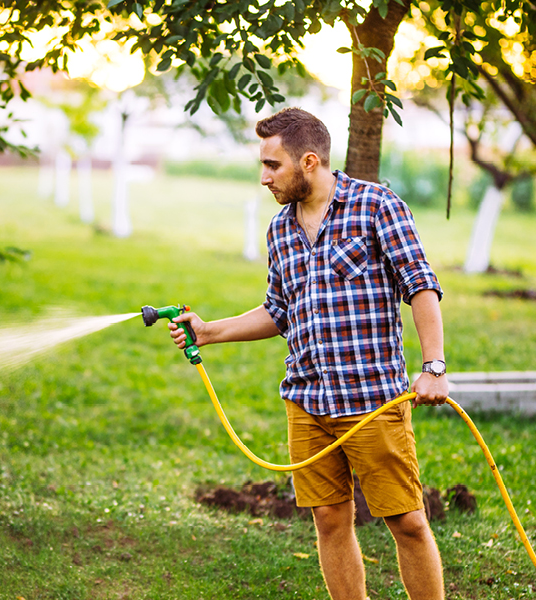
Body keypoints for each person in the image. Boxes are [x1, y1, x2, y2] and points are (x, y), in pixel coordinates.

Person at [167, 107, 448, 600]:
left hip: (371, 401)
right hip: (307, 402)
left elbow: (420, 285)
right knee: (329, 519)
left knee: (406, 521)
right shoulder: (280, 229)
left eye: (272, 165)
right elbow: (279, 309)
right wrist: (210, 332)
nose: (264, 177)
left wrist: (433, 368)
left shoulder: (377, 207)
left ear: (309, 162)